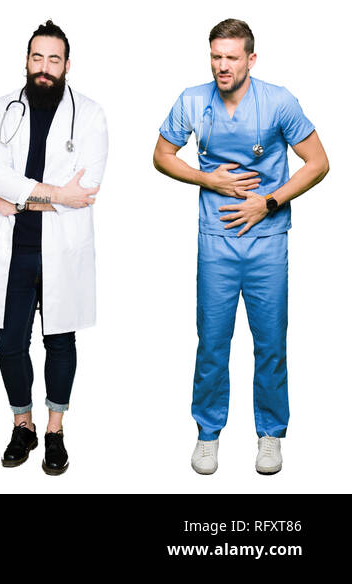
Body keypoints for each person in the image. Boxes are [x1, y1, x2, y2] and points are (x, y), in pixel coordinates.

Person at [153, 18, 328, 476]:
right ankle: (207, 434)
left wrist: (268, 203)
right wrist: (204, 177)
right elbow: (162, 154)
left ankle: (270, 435)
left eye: (231, 57)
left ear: (251, 58)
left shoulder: (278, 102)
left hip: (267, 242)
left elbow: (318, 162)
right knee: (212, 342)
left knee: (270, 343)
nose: (222, 66)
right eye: (216, 56)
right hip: (216, 242)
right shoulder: (193, 100)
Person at [0, 21, 107, 476]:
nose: (44, 68)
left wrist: (24, 198)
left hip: (62, 249)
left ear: (67, 65)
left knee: (59, 338)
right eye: (37, 58)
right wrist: (56, 196)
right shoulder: (0, 109)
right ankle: (22, 425)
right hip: (16, 247)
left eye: (54, 59)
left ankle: (54, 431)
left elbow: (87, 185)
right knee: (8, 342)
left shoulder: (89, 114)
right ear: (26, 61)